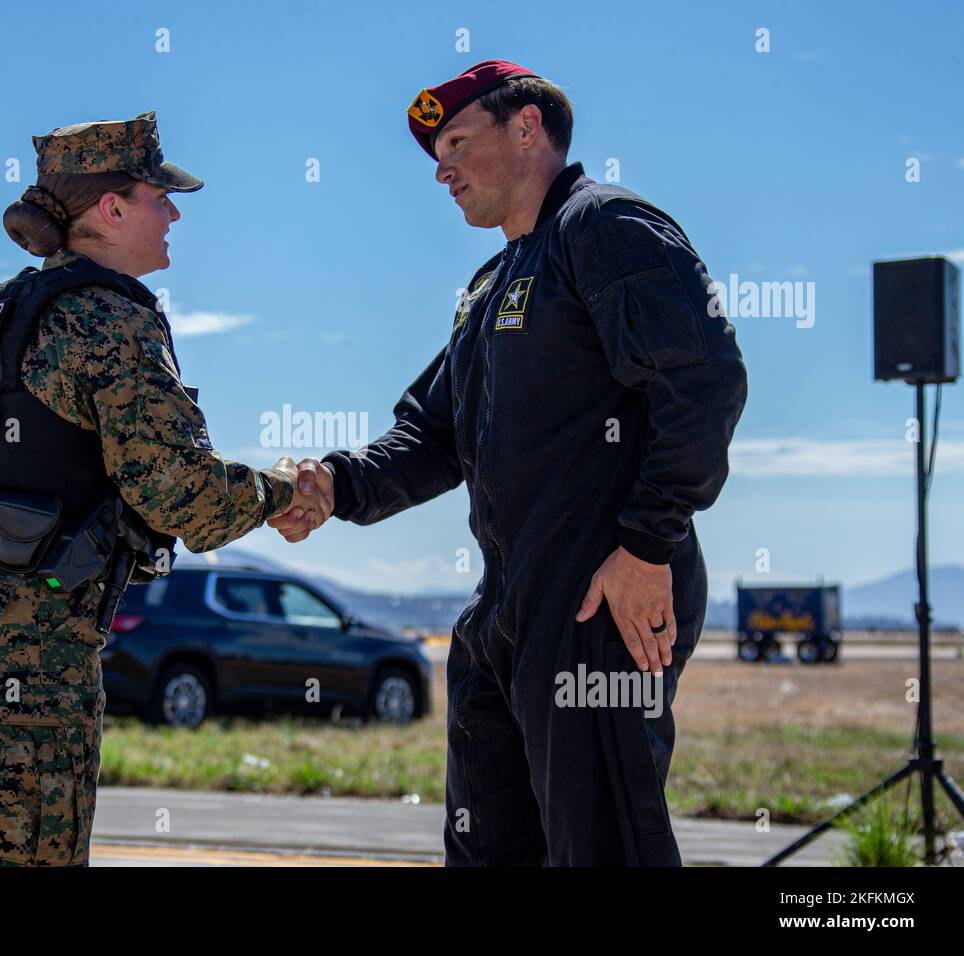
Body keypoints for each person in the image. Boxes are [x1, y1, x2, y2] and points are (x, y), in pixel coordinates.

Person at [269, 61, 748, 865]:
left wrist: (645, 547)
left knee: (600, 844)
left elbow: (702, 381)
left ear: (527, 127)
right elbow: (430, 436)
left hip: (600, 600)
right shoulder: (492, 283)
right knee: (489, 844)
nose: (443, 169)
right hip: (507, 605)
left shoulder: (604, 229)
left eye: (457, 142)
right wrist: (333, 485)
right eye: (434, 158)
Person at [0, 111, 330, 867]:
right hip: (25, 649)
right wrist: (283, 490)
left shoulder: (3, 321)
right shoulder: (109, 320)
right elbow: (185, 498)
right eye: (160, 196)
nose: (175, 212)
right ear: (111, 209)